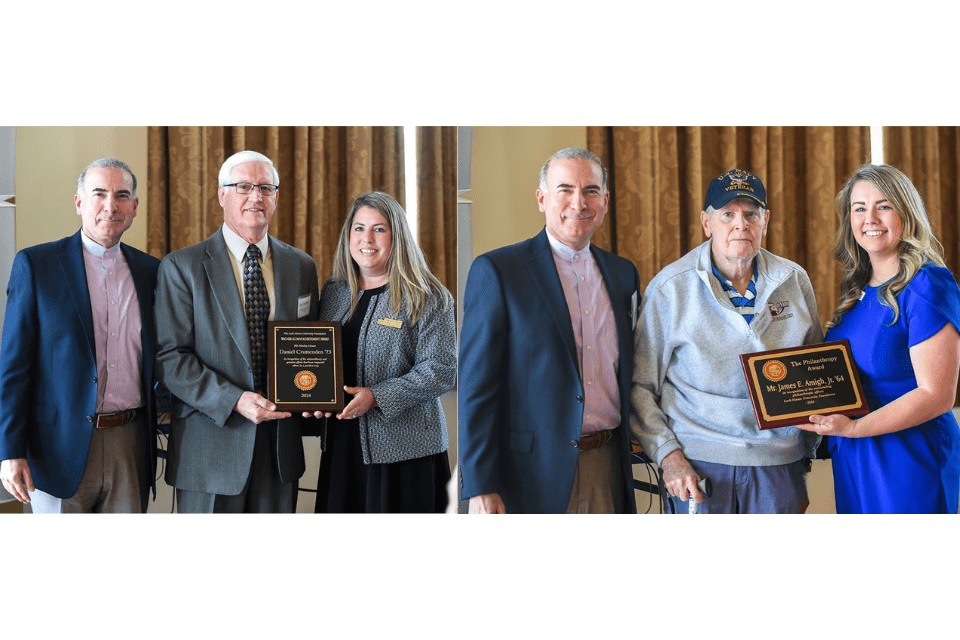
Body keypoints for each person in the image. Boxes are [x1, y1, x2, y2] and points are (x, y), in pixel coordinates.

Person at [459, 147, 640, 514]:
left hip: (608, 464)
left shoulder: (623, 275)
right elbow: (477, 389)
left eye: (591, 190)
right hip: (528, 475)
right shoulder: (498, 271)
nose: (579, 202)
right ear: (542, 199)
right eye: (565, 189)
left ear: (605, 201)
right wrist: (480, 485)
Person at [631, 168, 823, 514]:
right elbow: (640, 386)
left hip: (778, 465)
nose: (741, 224)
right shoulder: (671, 287)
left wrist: (803, 459)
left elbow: (814, 378)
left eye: (751, 213)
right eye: (728, 214)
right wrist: (668, 456)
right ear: (707, 223)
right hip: (698, 463)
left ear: (765, 220)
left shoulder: (794, 281)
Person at [155, 150, 319, 513]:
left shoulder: (301, 266)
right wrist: (235, 400)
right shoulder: (182, 267)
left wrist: (314, 392)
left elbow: (309, 345)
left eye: (265, 187)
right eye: (243, 186)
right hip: (211, 445)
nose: (255, 197)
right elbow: (171, 359)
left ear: (276, 197)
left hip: (279, 451)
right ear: (221, 195)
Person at [797, 164, 960, 513]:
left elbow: (937, 395)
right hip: (854, 455)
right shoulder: (857, 293)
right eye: (859, 208)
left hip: (909, 457)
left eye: (883, 206)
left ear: (906, 212)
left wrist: (855, 428)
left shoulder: (928, 285)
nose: (870, 218)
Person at [0, 158, 159, 513]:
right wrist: (9, 451)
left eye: (121, 195)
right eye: (99, 193)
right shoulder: (37, 265)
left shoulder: (152, 272)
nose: (110, 205)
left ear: (134, 207)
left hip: (130, 443)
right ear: (79, 203)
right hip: (56, 446)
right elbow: (13, 368)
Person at [310, 191, 455, 513]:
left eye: (379, 229)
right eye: (359, 228)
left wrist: (377, 396)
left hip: (406, 452)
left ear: (397, 236)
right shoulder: (334, 292)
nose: (367, 239)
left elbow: (442, 369)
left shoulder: (428, 296)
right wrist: (311, 398)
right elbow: (317, 358)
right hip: (342, 445)